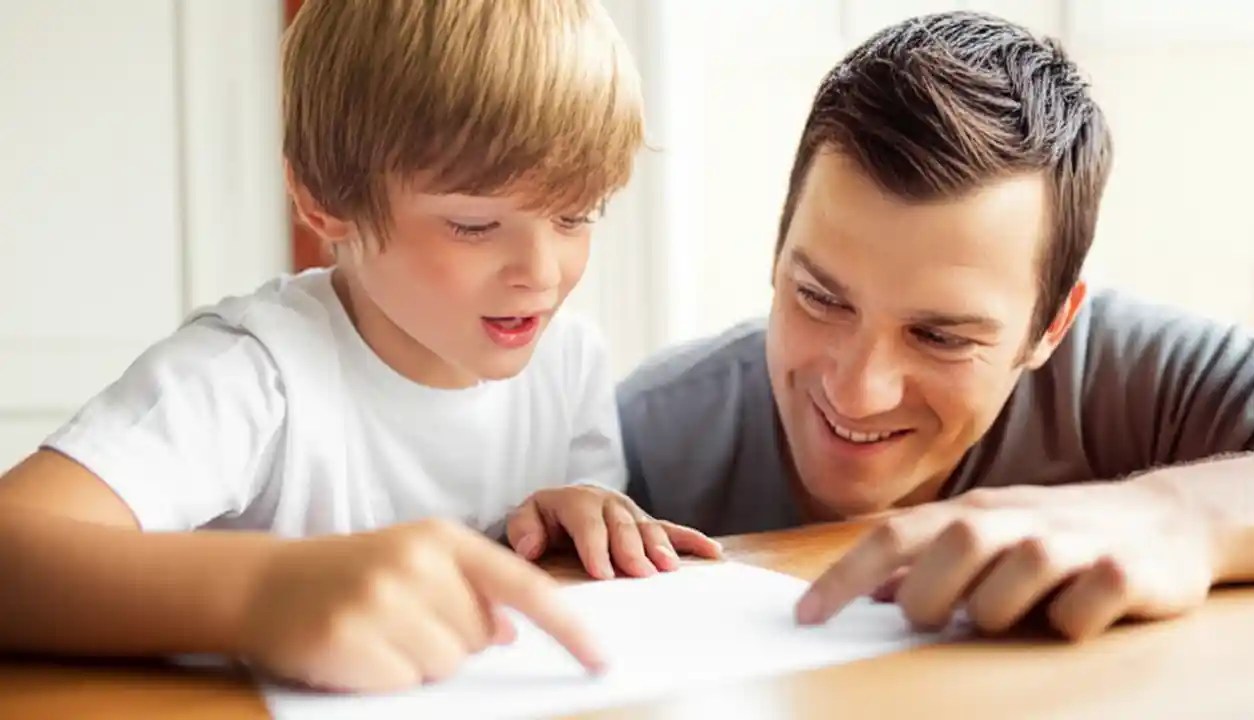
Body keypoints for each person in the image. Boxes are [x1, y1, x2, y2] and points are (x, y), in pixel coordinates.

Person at [0, 0, 718, 693]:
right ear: (322, 202)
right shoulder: (255, 375)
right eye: (473, 224)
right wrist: (265, 594)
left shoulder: (570, 363)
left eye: (575, 213)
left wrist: (580, 522)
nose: (541, 271)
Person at [620, 10, 1254, 642]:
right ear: (777, 252)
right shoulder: (643, 441)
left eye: (940, 337)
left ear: (1052, 324)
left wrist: (1174, 516)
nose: (859, 393)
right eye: (820, 298)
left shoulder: (1139, 381)